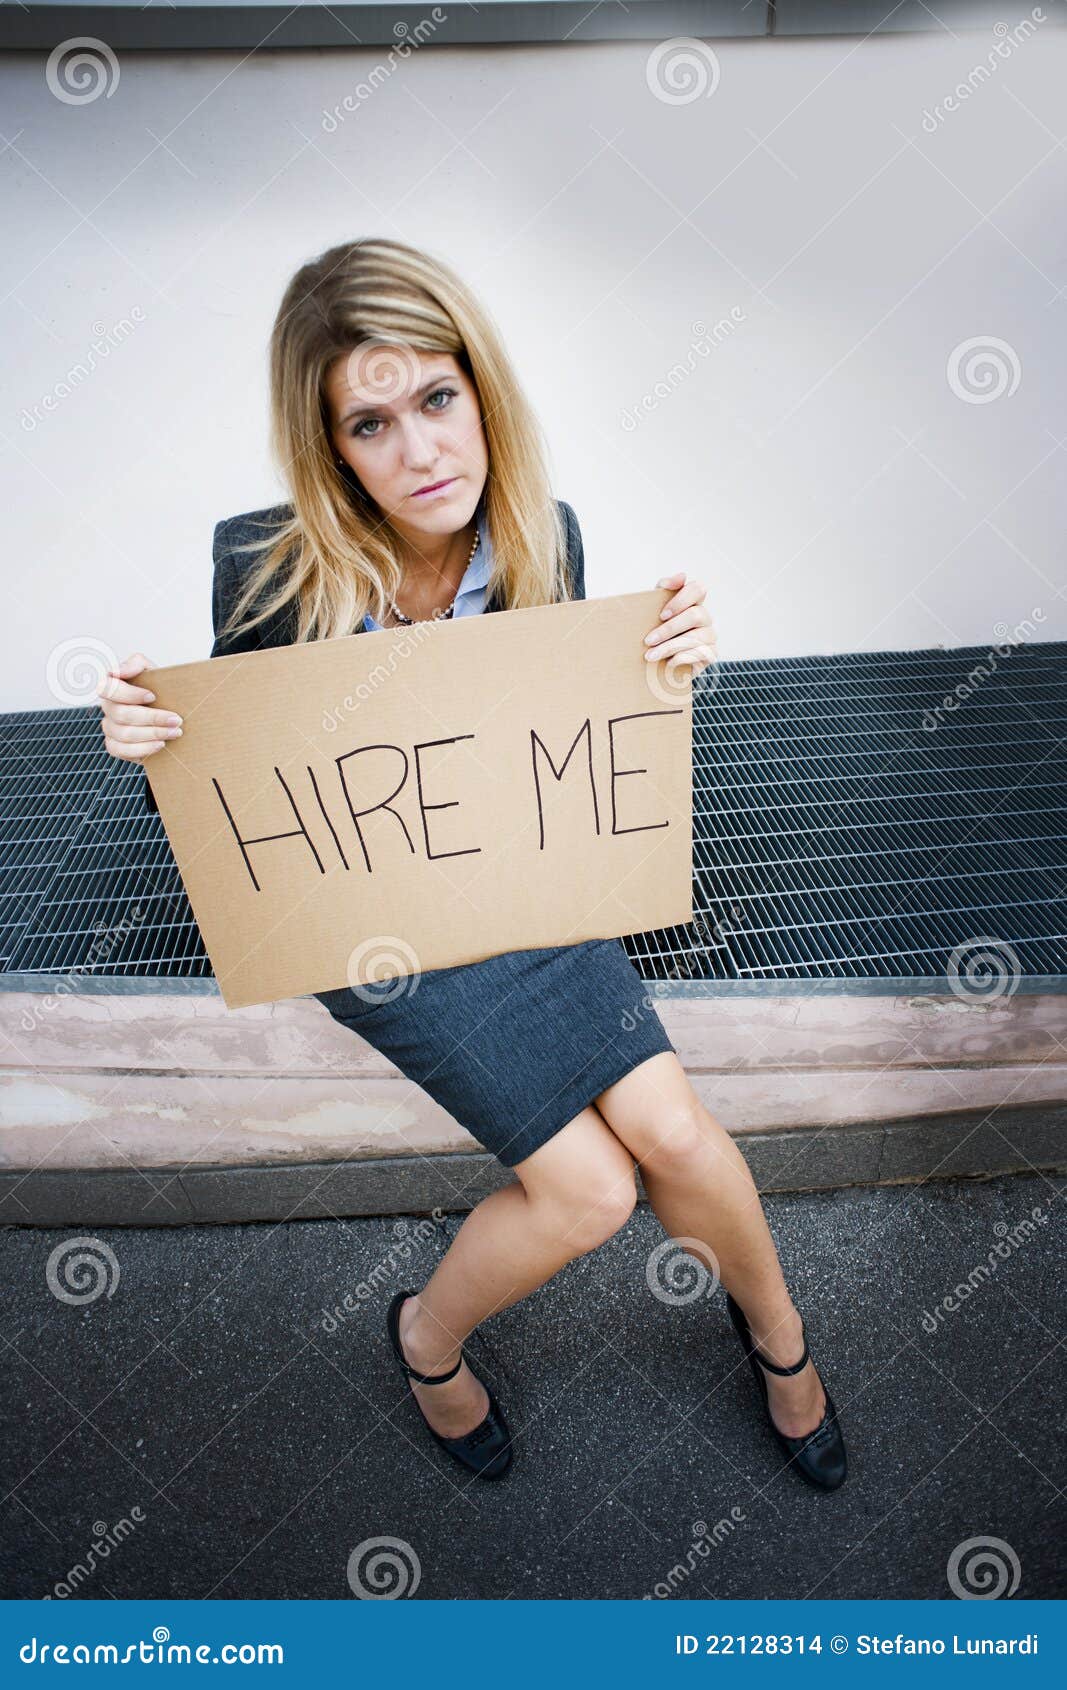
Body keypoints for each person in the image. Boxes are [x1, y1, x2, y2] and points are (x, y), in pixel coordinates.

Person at [97, 238, 846, 1493]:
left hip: (523, 883)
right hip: (380, 922)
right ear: (329, 446)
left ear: (479, 390)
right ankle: (426, 1339)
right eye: (370, 425)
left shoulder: (543, 536)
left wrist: (667, 668)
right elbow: (253, 778)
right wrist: (147, 736)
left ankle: (778, 1339)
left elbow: (572, 750)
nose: (419, 452)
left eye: (435, 401)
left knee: (671, 1124)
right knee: (589, 1192)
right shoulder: (264, 569)